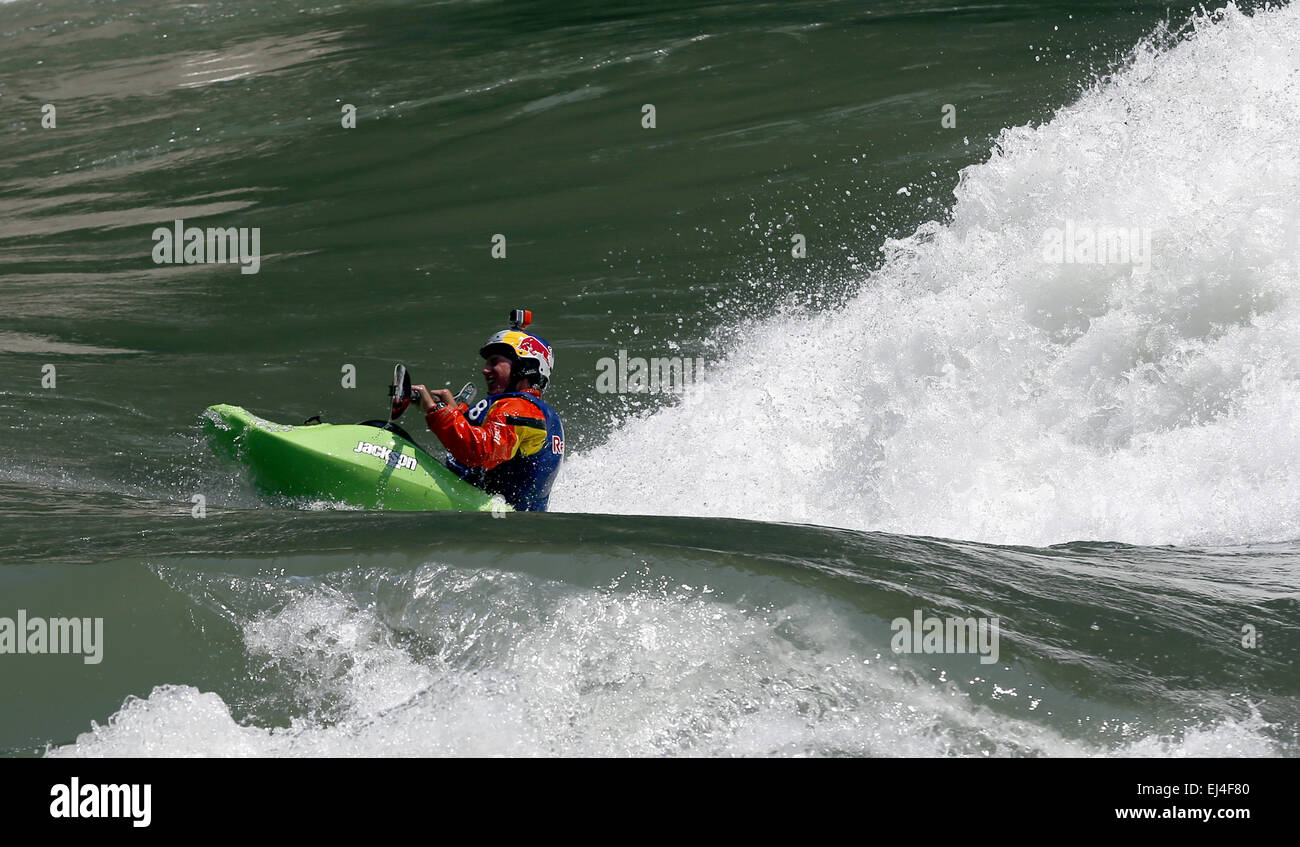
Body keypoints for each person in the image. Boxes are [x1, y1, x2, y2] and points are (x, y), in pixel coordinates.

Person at [412, 310, 564, 511]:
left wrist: (438, 410)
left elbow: (481, 452)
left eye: (494, 362)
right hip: (513, 523)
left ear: (523, 367)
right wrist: (457, 411)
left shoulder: (521, 407)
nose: (485, 369)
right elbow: (492, 439)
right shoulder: (529, 408)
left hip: (505, 527)